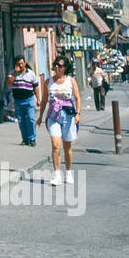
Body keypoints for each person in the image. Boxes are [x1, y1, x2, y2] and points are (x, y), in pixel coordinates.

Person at [38, 54, 82, 187]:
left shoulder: (71, 81)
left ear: (65, 68)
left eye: (60, 65)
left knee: (67, 147)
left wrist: (78, 114)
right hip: (53, 115)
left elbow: (77, 98)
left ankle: (68, 172)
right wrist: (40, 117)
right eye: (56, 65)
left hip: (68, 116)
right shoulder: (48, 82)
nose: (57, 67)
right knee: (55, 144)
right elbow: (44, 100)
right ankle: (57, 174)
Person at [8, 56, 39, 147]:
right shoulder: (12, 74)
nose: (21, 66)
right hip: (18, 101)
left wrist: (38, 99)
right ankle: (25, 139)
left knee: (30, 119)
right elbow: (8, 83)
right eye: (18, 64)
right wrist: (14, 74)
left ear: (25, 63)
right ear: (15, 64)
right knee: (21, 121)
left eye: (22, 63)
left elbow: (35, 86)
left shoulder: (31, 74)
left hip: (29, 99)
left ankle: (32, 138)